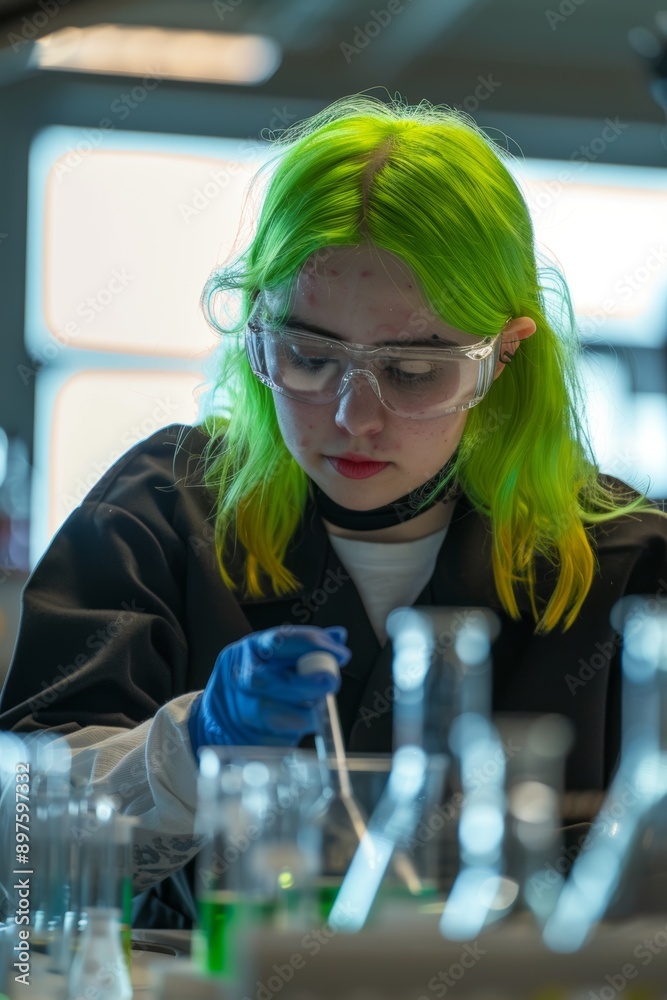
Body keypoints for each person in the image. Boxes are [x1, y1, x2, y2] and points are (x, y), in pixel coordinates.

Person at [1, 94, 666, 930]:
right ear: (255, 332)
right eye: (309, 357)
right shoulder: (159, 516)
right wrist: (189, 745)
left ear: (501, 356)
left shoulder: (628, 565)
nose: (355, 417)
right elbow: (18, 847)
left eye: (415, 370)